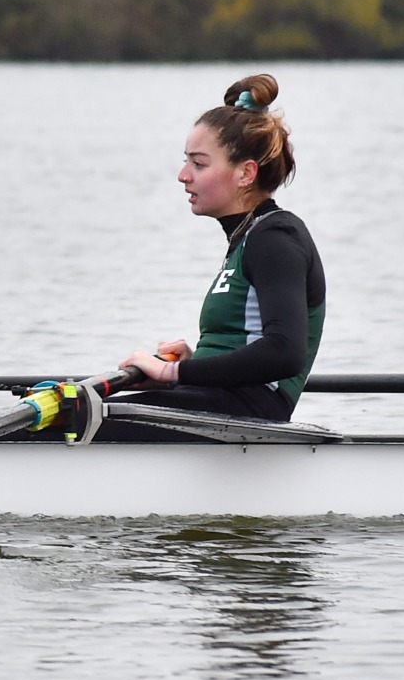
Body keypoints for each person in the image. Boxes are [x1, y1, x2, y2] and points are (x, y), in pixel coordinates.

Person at [113, 74, 326, 426]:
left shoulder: (276, 238)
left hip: (247, 413)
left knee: (71, 424)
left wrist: (173, 373)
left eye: (199, 164)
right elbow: (247, 343)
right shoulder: (250, 235)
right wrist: (194, 364)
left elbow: (284, 353)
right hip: (221, 403)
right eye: (187, 162)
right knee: (76, 415)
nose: (183, 175)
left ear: (246, 173)